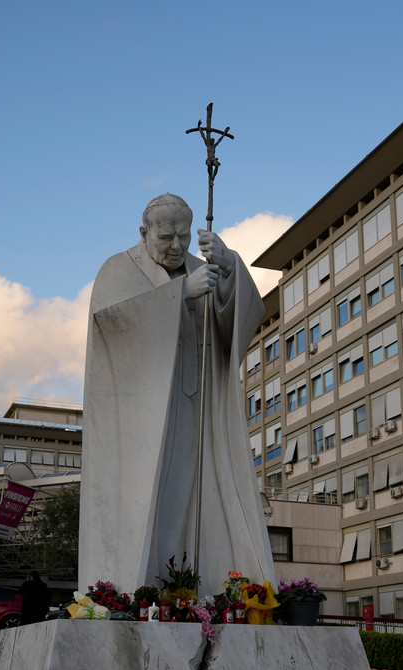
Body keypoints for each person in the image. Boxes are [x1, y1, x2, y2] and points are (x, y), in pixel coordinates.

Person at [79, 194, 274, 592]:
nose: (175, 245)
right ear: (144, 232)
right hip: (143, 417)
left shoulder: (203, 270)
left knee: (196, 501)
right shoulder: (118, 270)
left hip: (196, 407)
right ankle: (136, 592)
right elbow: (111, 327)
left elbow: (243, 318)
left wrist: (230, 266)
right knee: (151, 503)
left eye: (183, 237)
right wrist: (181, 294)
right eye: (166, 236)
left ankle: (197, 589)